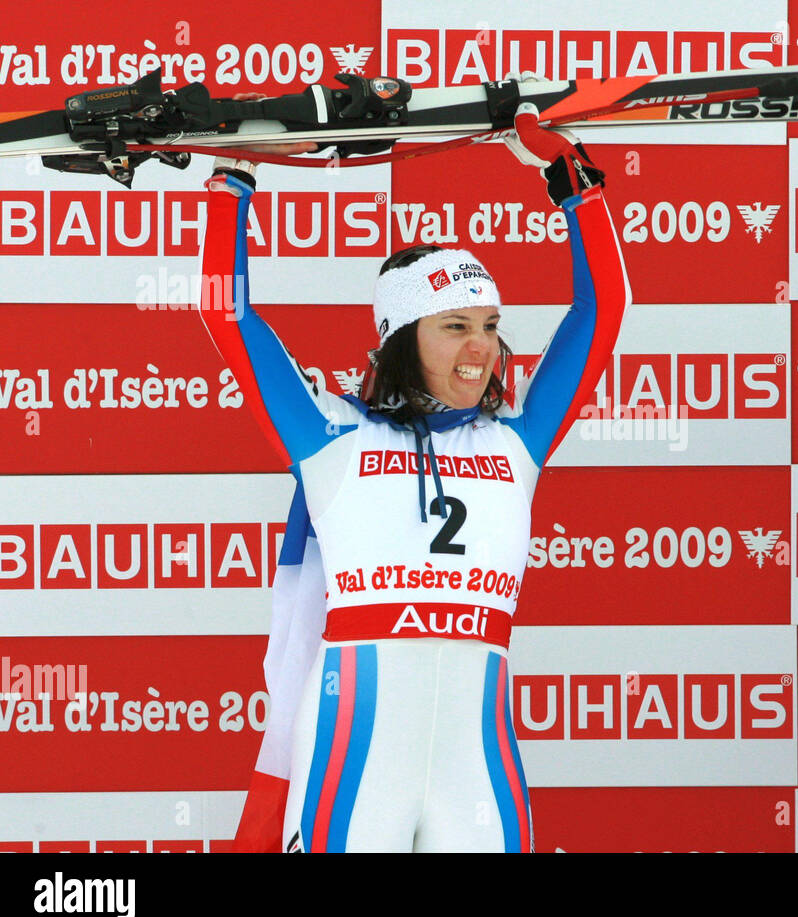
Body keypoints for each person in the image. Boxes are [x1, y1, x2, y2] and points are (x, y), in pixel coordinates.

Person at [198, 105, 630, 852]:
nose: (481, 349)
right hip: (357, 743)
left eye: (490, 325)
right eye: (455, 326)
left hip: (477, 756)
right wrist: (235, 180)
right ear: (401, 339)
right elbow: (226, 314)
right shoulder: (332, 436)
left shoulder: (518, 442)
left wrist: (574, 184)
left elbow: (603, 310)